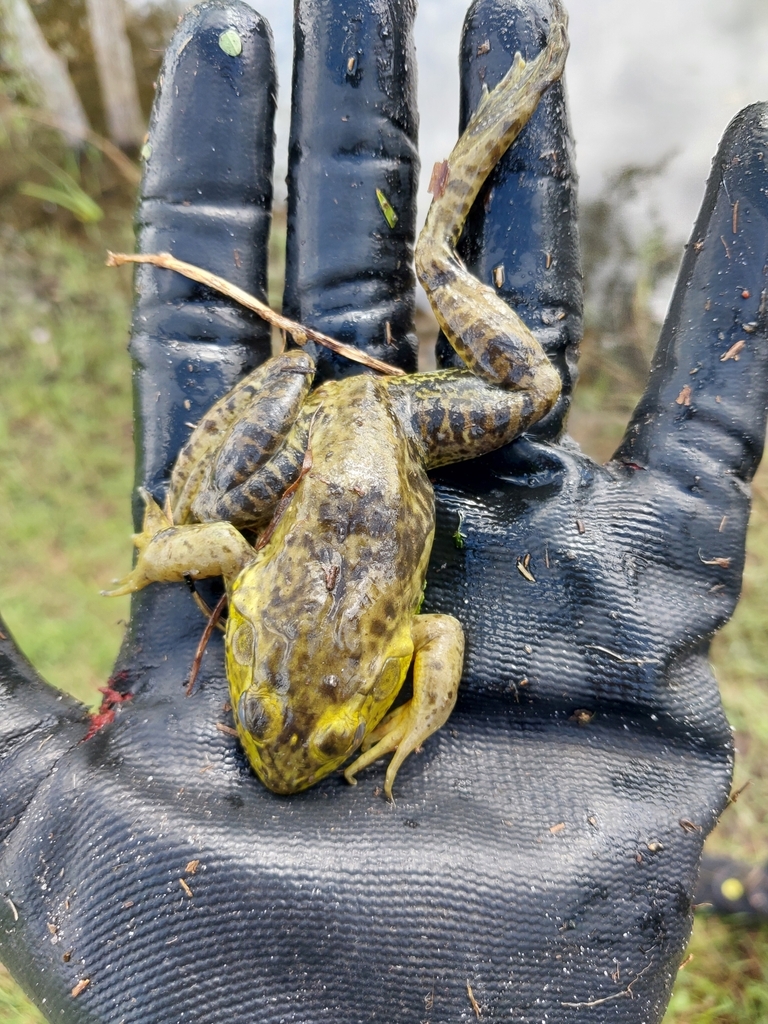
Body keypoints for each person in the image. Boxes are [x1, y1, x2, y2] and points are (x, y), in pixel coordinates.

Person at [1, 0, 767, 1020]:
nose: (287, 749)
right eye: (312, 728)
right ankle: (433, 256)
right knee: (523, 400)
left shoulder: (259, 592)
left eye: (272, 722)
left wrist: (161, 554)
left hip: (363, 435)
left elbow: (287, 570)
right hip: (362, 445)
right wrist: (404, 717)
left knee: (519, 401)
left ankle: (437, 252)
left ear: (249, 663)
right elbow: (432, 635)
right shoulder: (277, 607)